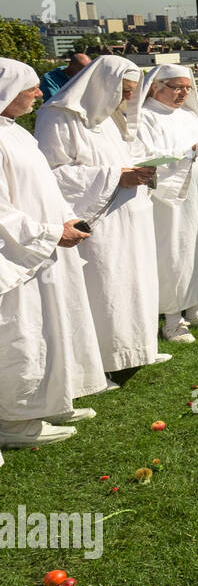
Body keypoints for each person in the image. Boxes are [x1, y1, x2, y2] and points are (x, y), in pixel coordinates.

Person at [35, 55, 169, 376]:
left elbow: (122, 158)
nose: (128, 97)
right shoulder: (58, 117)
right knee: (104, 287)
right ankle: (100, 364)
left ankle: (136, 347)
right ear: (102, 83)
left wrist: (141, 170)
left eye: (133, 91)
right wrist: (114, 177)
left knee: (133, 285)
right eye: (124, 89)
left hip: (129, 217)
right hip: (97, 221)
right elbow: (51, 175)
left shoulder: (109, 119)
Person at [0, 58, 104, 451]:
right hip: (18, 255)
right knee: (20, 334)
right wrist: (48, 231)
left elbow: (43, 186)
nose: (40, 93)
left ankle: (51, 401)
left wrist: (67, 218)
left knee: (54, 327)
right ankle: (16, 421)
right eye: (31, 88)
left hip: (45, 248)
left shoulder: (16, 133)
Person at [134, 65, 198, 344]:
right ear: (156, 86)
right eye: (176, 87)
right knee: (174, 254)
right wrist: (188, 154)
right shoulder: (144, 118)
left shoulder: (189, 116)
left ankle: (196, 308)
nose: (183, 93)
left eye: (187, 88)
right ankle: (172, 321)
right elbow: (146, 157)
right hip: (169, 197)